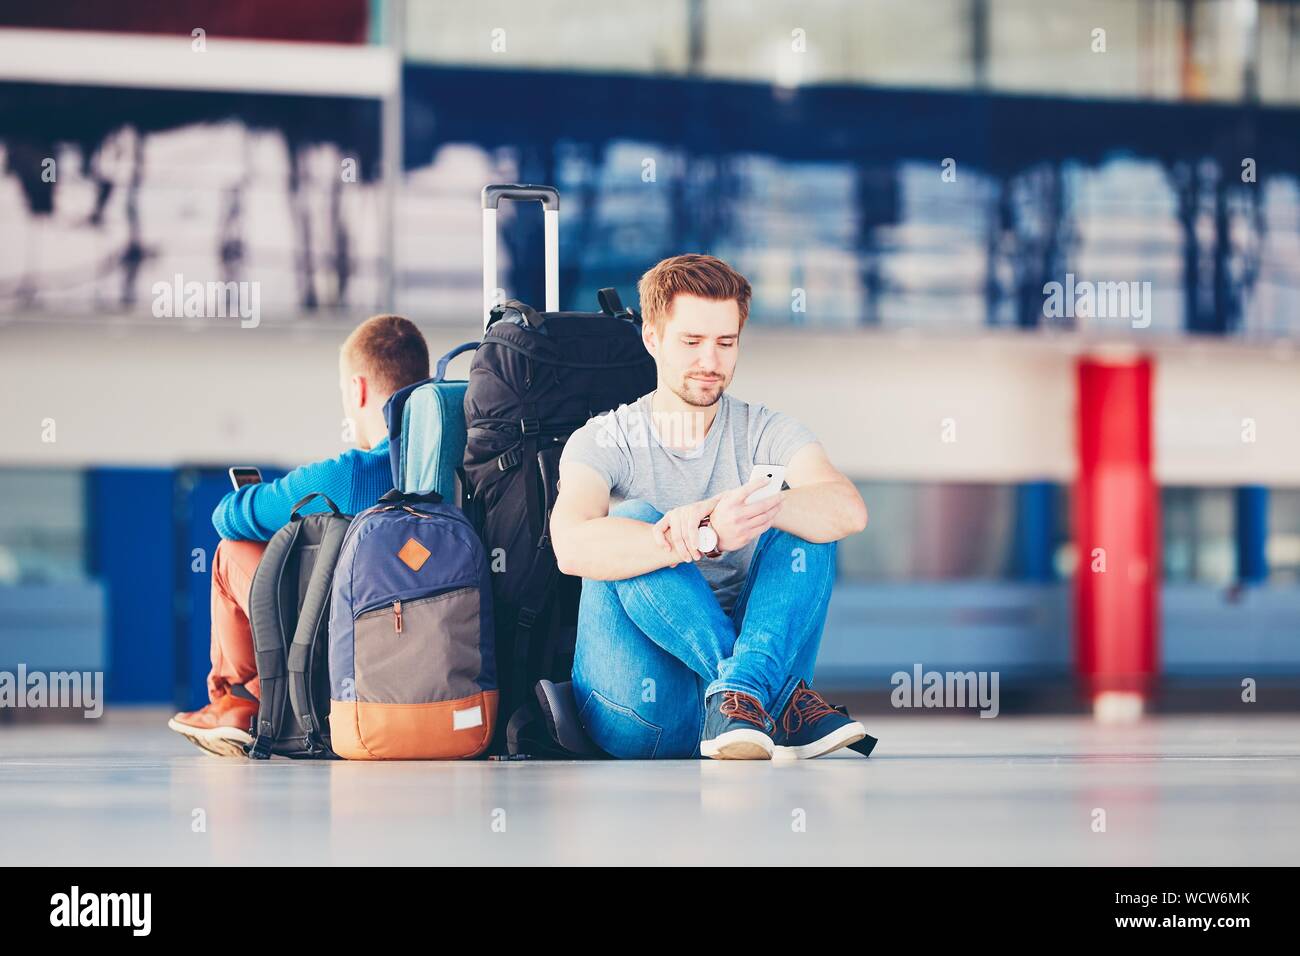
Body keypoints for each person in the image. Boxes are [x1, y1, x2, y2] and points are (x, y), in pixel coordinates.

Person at [550, 254, 870, 760]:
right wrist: (704, 536)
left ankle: (742, 692)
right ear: (652, 339)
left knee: (804, 528)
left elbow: (847, 510)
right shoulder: (606, 438)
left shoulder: (765, 430)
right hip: (642, 711)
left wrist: (727, 508)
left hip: (747, 726)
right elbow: (570, 545)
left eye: (726, 343)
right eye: (692, 342)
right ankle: (760, 691)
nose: (711, 361)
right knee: (633, 523)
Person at [167, 314, 430, 756]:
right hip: (427, 650)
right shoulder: (460, 463)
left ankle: (238, 702)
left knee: (231, 551)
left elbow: (226, 517)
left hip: (339, 649)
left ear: (359, 389)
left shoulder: (345, 476)